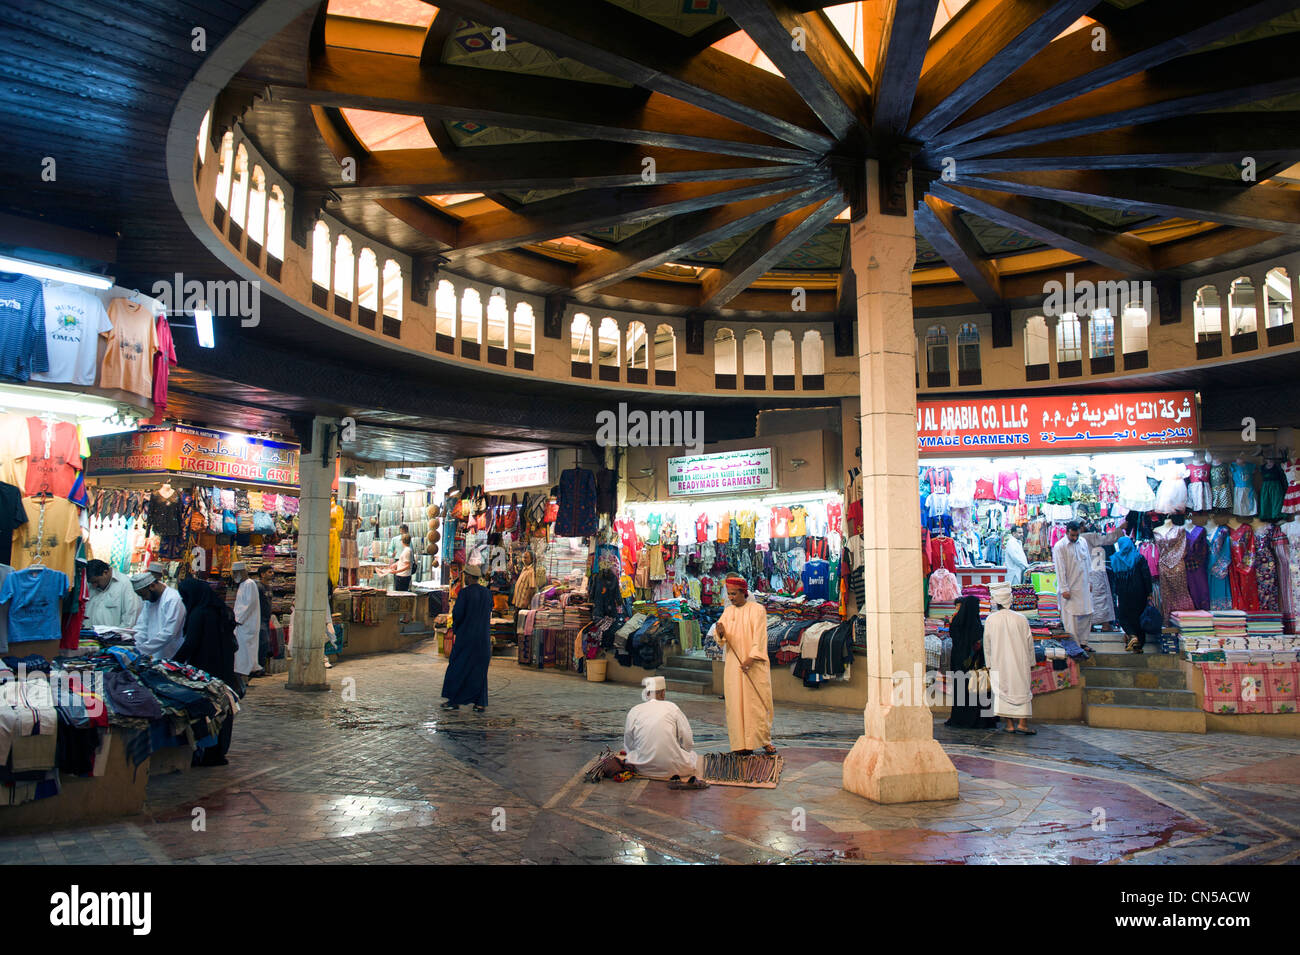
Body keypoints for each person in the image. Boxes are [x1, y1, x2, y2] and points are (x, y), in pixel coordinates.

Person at [174, 578, 238, 766]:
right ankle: (218, 752)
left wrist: (172, 664)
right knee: (224, 709)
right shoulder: (222, 611)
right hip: (224, 669)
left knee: (207, 711)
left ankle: (207, 751)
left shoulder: (199, 613)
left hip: (204, 670)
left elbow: (191, 643)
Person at [714, 575, 775, 755]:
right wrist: (720, 633)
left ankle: (764, 741)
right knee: (736, 705)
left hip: (754, 666)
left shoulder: (757, 610)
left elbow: (760, 636)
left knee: (757, 704)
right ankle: (741, 744)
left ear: (743, 592)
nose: (731, 598)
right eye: (729, 594)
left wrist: (752, 657)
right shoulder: (728, 612)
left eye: (734, 594)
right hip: (734, 667)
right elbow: (722, 640)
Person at [622, 676, 705, 787]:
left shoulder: (635, 710)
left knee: (630, 756)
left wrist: (636, 753)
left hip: (641, 768)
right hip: (674, 769)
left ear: (647, 694)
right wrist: (684, 751)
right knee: (693, 756)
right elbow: (688, 741)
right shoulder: (672, 707)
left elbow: (629, 742)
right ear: (662, 693)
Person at [983, 581, 1035, 735]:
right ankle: (1023, 724)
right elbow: (1029, 642)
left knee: (1002, 690)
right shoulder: (1021, 618)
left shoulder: (991, 620)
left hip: (999, 662)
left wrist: (989, 663)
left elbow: (987, 645)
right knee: (1022, 689)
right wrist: (1031, 661)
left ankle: (1010, 725)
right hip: (1020, 661)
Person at [441, 562, 491, 712]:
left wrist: (456, 627)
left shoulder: (464, 593)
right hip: (483, 638)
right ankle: (480, 702)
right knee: (479, 670)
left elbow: (458, 614)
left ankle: (454, 700)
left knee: (458, 667)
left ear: (469, 577)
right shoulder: (487, 593)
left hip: (466, 636)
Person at [944, 595, 999, 729]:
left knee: (961, 691)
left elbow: (957, 641)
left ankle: (960, 718)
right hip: (974, 664)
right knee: (976, 690)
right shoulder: (976, 624)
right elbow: (978, 643)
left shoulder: (956, 622)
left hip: (958, 662)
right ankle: (975, 719)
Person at [1052, 520, 1094, 648]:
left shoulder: (1083, 542)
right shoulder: (1060, 546)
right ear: (1067, 533)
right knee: (1071, 619)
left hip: (1084, 584)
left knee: (1087, 614)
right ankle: (1074, 646)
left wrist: (1090, 580)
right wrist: (1064, 588)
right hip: (1069, 587)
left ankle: (1083, 642)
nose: (1075, 538)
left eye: (1077, 535)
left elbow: (1088, 563)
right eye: (1072, 536)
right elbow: (1060, 569)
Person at [1110, 536, 1155, 653]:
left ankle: (1132, 636)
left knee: (1124, 616)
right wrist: (1149, 592)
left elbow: (1114, 579)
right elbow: (1146, 576)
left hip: (1123, 593)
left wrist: (1116, 593)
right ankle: (1138, 645)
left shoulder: (1115, 559)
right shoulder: (1139, 558)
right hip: (1140, 593)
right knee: (1139, 618)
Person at [131, 571, 187, 661]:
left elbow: (169, 633)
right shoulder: (149, 600)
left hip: (171, 655)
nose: (143, 599)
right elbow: (142, 627)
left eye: (143, 595)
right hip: (151, 654)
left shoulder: (173, 599)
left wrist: (142, 649)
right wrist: (134, 646)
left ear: (152, 586)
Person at [85, 558, 142, 629]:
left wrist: (117, 636)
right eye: (91, 583)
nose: (94, 585)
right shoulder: (89, 585)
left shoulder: (125, 584)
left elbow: (130, 617)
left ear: (105, 572)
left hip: (113, 637)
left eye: (96, 581)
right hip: (88, 636)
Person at [231, 562, 261, 686]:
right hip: (241, 625)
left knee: (245, 652)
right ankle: (242, 677)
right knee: (241, 653)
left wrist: (238, 620)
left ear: (243, 572)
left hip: (246, 625)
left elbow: (248, 605)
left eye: (236, 573)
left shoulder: (249, 584)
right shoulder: (243, 585)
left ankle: (244, 678)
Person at [254, 565, 273, 670]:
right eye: (269, 572)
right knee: (262, 642)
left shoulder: (269, 587)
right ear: (262, 574)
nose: (272, 574)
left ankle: (261, 667)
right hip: (260, 618)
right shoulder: (258, 587)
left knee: (266, 644)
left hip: (266, 618)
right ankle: (258, 668)